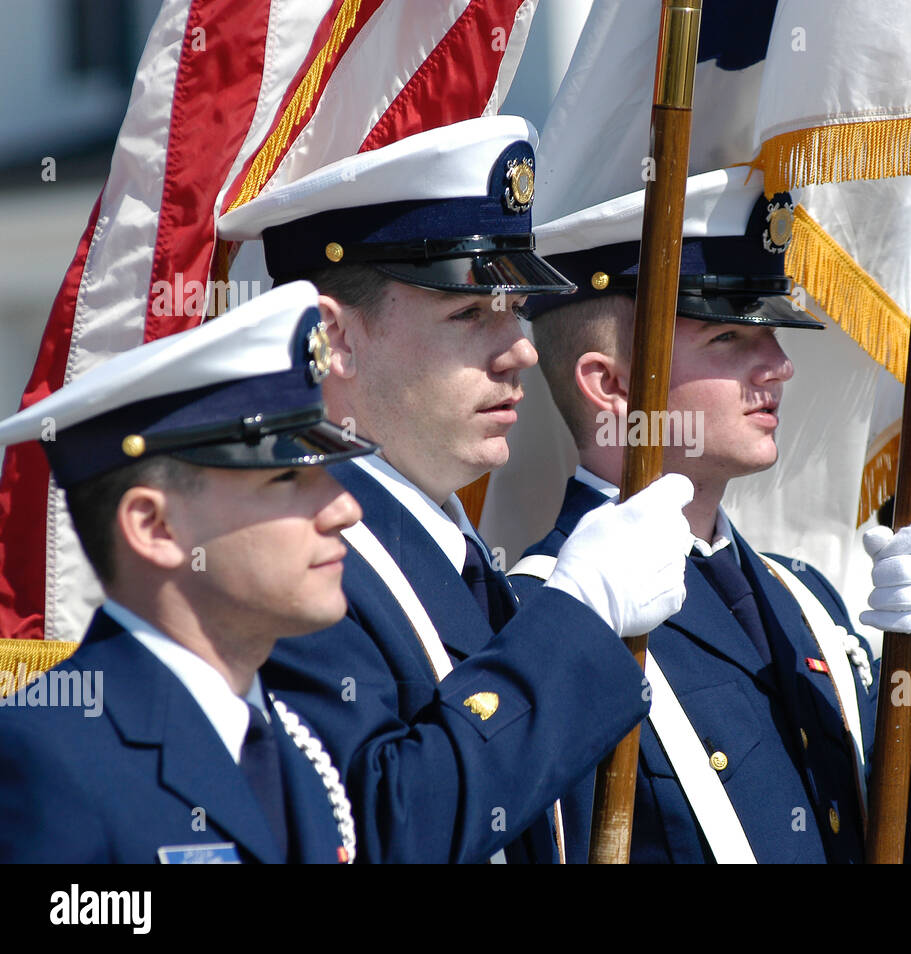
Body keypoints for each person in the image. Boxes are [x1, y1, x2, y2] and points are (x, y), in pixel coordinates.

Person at [216, 115, 693, 863]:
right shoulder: (286, 559)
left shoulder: (454, 557)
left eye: (516, 312)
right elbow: (383, 825)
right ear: (333, 339)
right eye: (470, 313)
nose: (522, 351)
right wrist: (576, 625)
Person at [509, 167, 911, 863]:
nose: (779, 366)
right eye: (729, 340)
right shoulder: (542, 613)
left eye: (769, 336)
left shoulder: (809, 603)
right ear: (612, 385)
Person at [0, 283, 375, 863]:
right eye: (286, 479)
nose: (345, 509)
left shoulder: (291, 745)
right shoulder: (45, 756)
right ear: (154, 528)